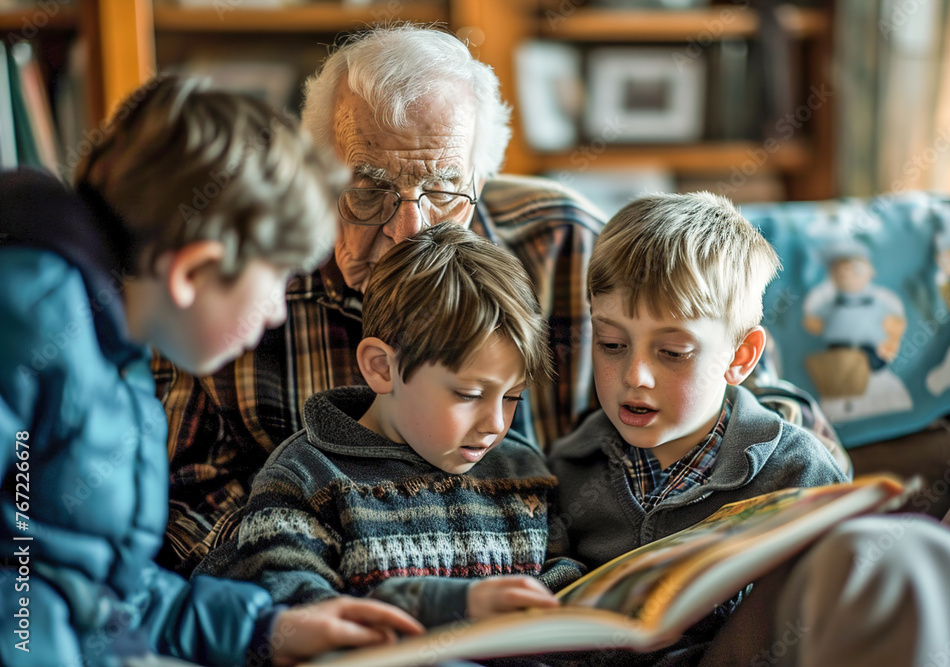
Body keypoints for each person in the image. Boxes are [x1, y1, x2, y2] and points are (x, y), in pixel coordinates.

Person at [153, 24, 607, 577]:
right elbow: (182, 494)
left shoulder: (568, 246)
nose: (409, 230)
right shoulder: (246, 278)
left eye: (442, 191)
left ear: (482, 178)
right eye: (368, 192)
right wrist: (315, 573)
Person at [0, 76, 422, 667]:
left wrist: (269, 630)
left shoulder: (118, 357)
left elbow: (104, 593)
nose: (277, 309)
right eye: (274, 277)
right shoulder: (26, 317)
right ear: (194, 270)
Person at [194, 223, 586, 629]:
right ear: (382, 368)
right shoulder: (307, 479)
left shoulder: (520, 471)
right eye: (469, 394)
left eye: (512, 397)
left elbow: (559, 575)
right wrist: (441, 605)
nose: (496, 424)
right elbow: (294, 608)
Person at [547, 193, 850, 663]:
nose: (635, 376)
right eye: (611, 344)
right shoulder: (569, 465)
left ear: (741, 357)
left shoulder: (798, 472)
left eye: (672, 353)